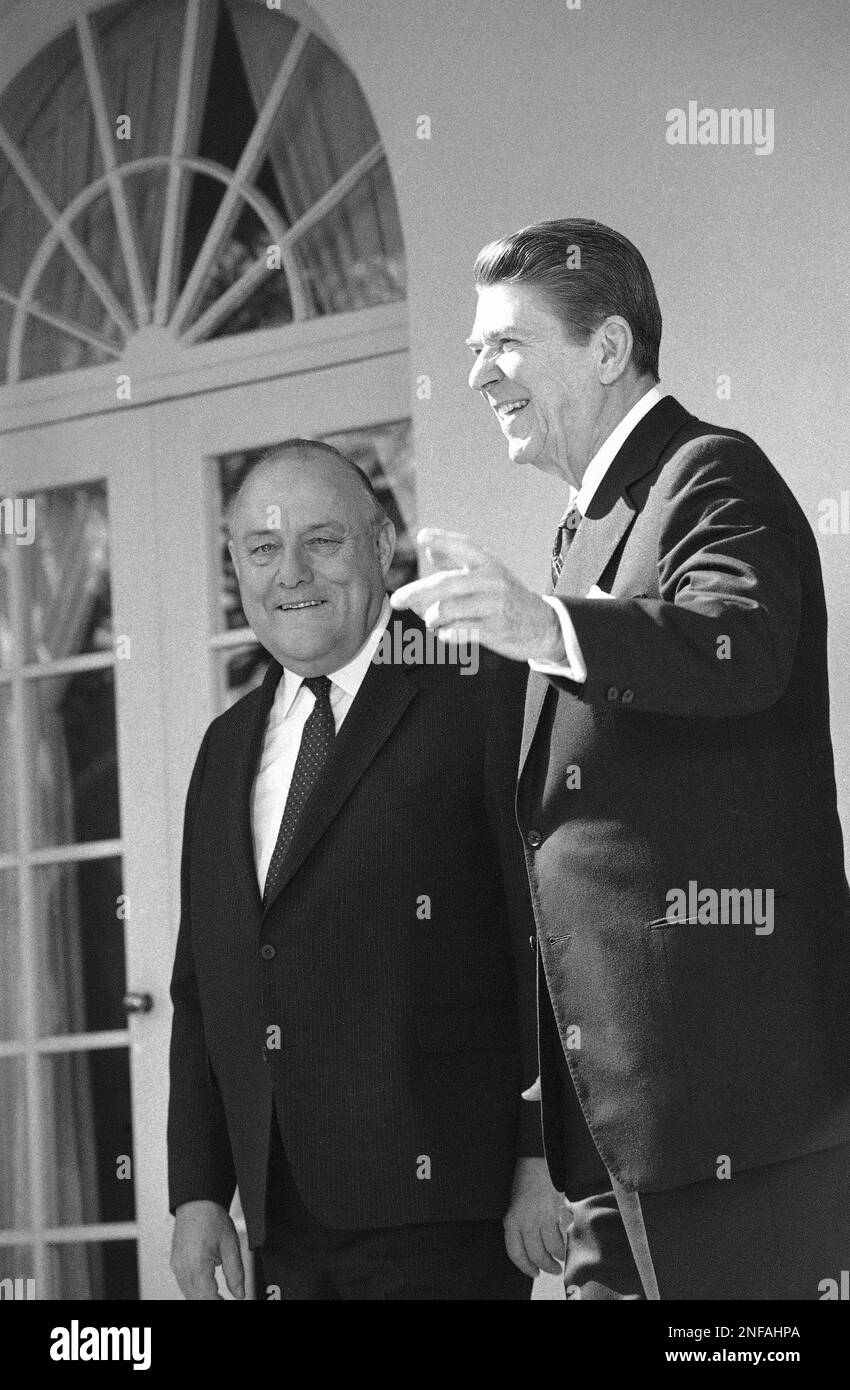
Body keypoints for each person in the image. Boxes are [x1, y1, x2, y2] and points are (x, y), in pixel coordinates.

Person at [393, 218, 850, 1299]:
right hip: (617, 1127)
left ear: (605, 347)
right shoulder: (583, 527)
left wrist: (542, 624)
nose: (475, 372)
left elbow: (734, 648)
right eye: (472, 347)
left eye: (503, 342)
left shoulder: (708, 472)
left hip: (730, 1109)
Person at [167, 438, 567, 1301]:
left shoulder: (481, 687)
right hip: (281, 1220)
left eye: (324, 540)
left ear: (381, 546)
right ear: (236, 566)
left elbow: (544, 940)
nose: (292, 573)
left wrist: (543, 1153)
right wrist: (200, 1193)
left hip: (446, 1212)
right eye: (263, 549)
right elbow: (206, 983)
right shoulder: (225, 746)